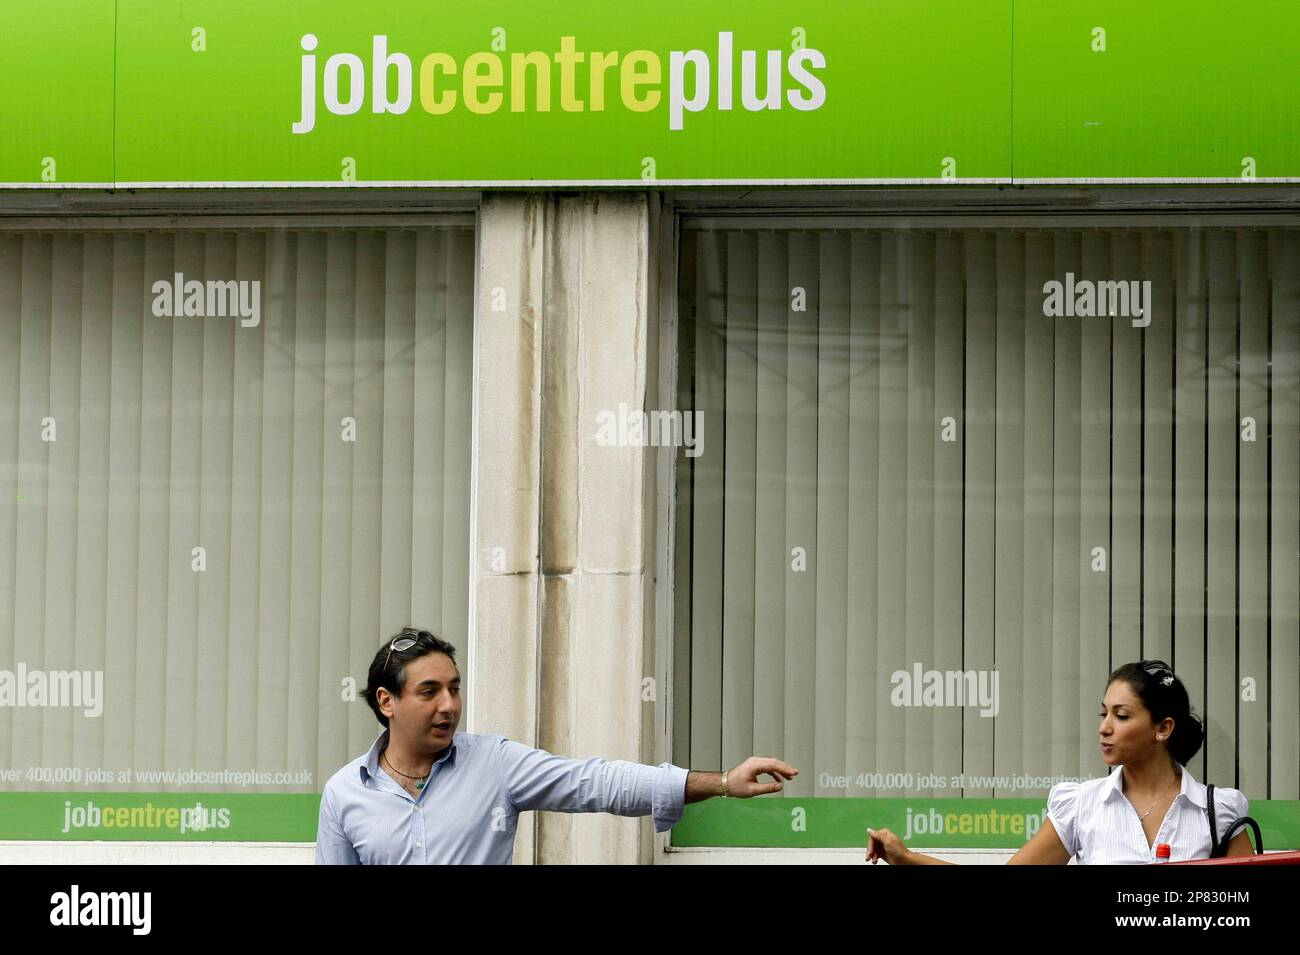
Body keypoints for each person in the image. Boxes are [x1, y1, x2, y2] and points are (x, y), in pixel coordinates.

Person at [316, 627, 798, 863]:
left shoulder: (495, 763)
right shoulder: (344, 794)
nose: (449, 705)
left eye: (454, 688)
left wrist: (720, 783)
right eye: (429, 692)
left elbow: (597, 782)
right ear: (387, 701)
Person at [865, 660, 1253, 865]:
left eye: (1121, 716)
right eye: (1103, 714)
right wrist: (908, 858)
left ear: (1162, 728)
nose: (1104, 728)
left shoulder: (1217, 812)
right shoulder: (1082, 805)